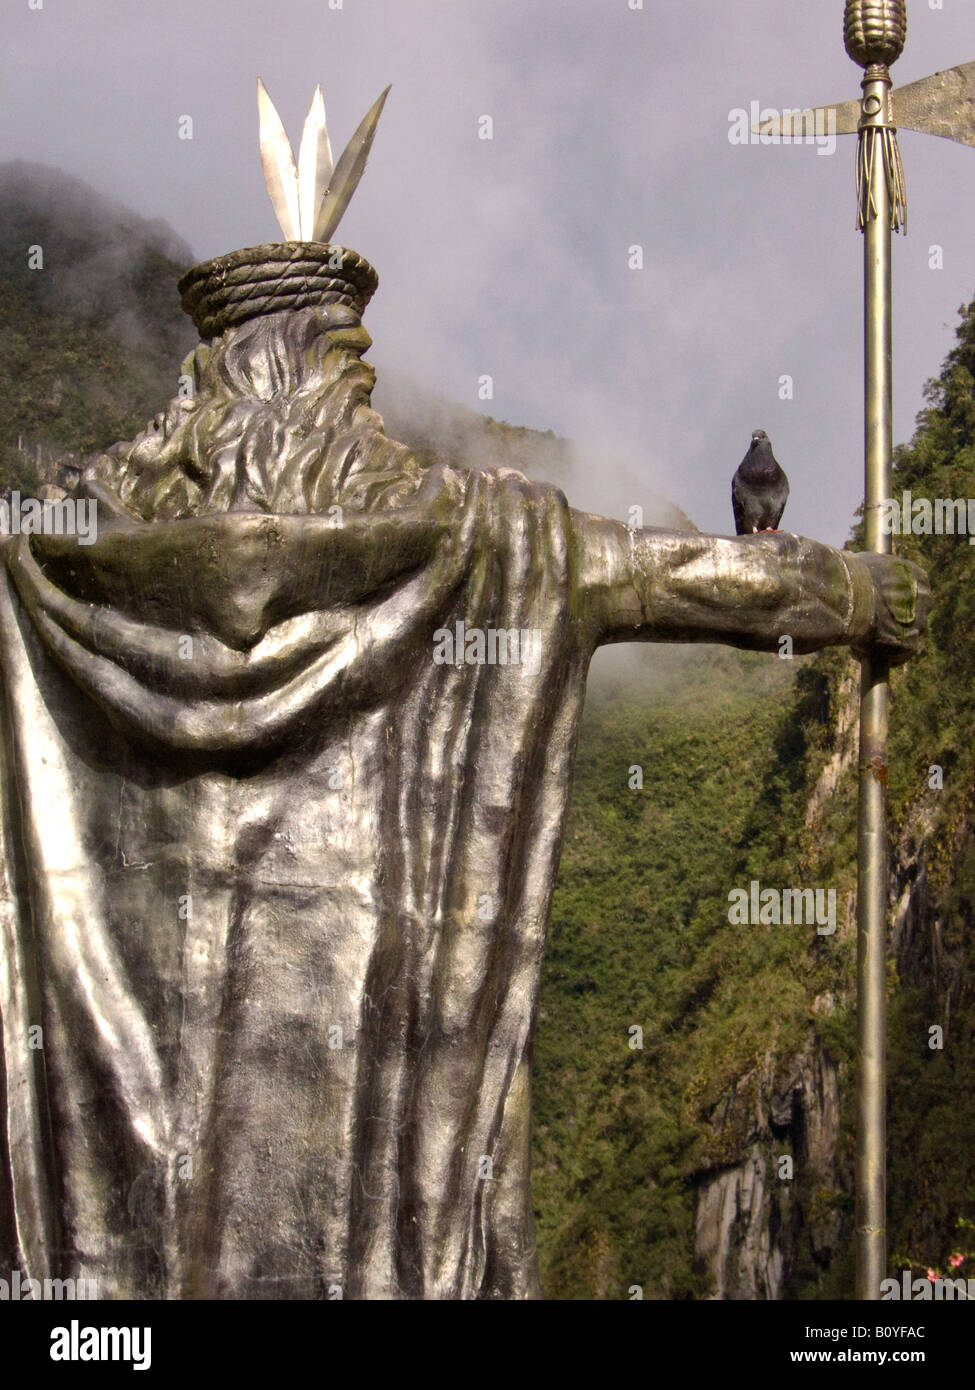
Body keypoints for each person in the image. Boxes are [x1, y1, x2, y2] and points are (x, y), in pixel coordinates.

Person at [0, 243, 929, 1299]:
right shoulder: (499, 545)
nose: (365, 403)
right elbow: (705, 580)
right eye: (354, 377)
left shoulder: (51, 576)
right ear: (323, 384)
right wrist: (856, 595)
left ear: (212, 385)